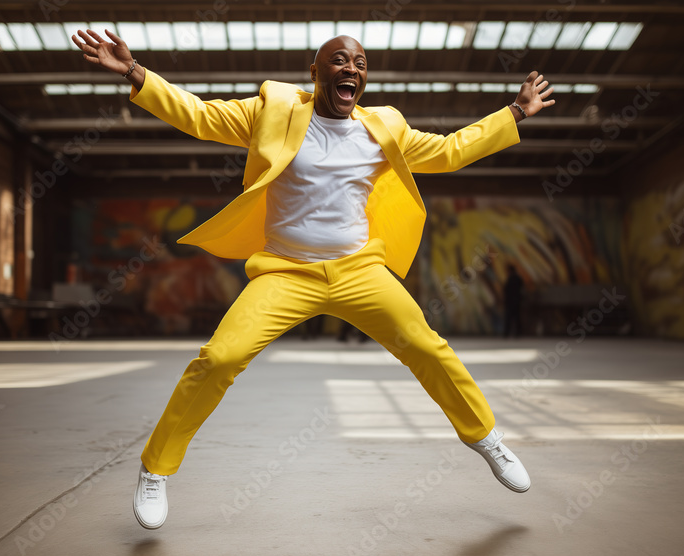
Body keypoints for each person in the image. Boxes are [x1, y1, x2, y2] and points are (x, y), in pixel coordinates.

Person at [72, 28, 555, 530]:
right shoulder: (272, 110)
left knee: (427, 347)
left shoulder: (383, 127)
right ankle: (156, 469)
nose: (352, 69)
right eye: (340, 61)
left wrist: (514, 113)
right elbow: (196, 115)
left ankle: (487, 440)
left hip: (358, 270)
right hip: (285, 270)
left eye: (361, 63)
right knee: (219, 358)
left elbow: (451, 150)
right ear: (316, 71)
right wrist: (134, 72)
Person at [503, 264, 524, 338]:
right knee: (516, 318)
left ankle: (507, 333)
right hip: (517, 301)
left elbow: (506, 290)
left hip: (510, 301)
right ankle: (518, 333)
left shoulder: (511, 279)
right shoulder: (518, 278)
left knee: (509, 318)